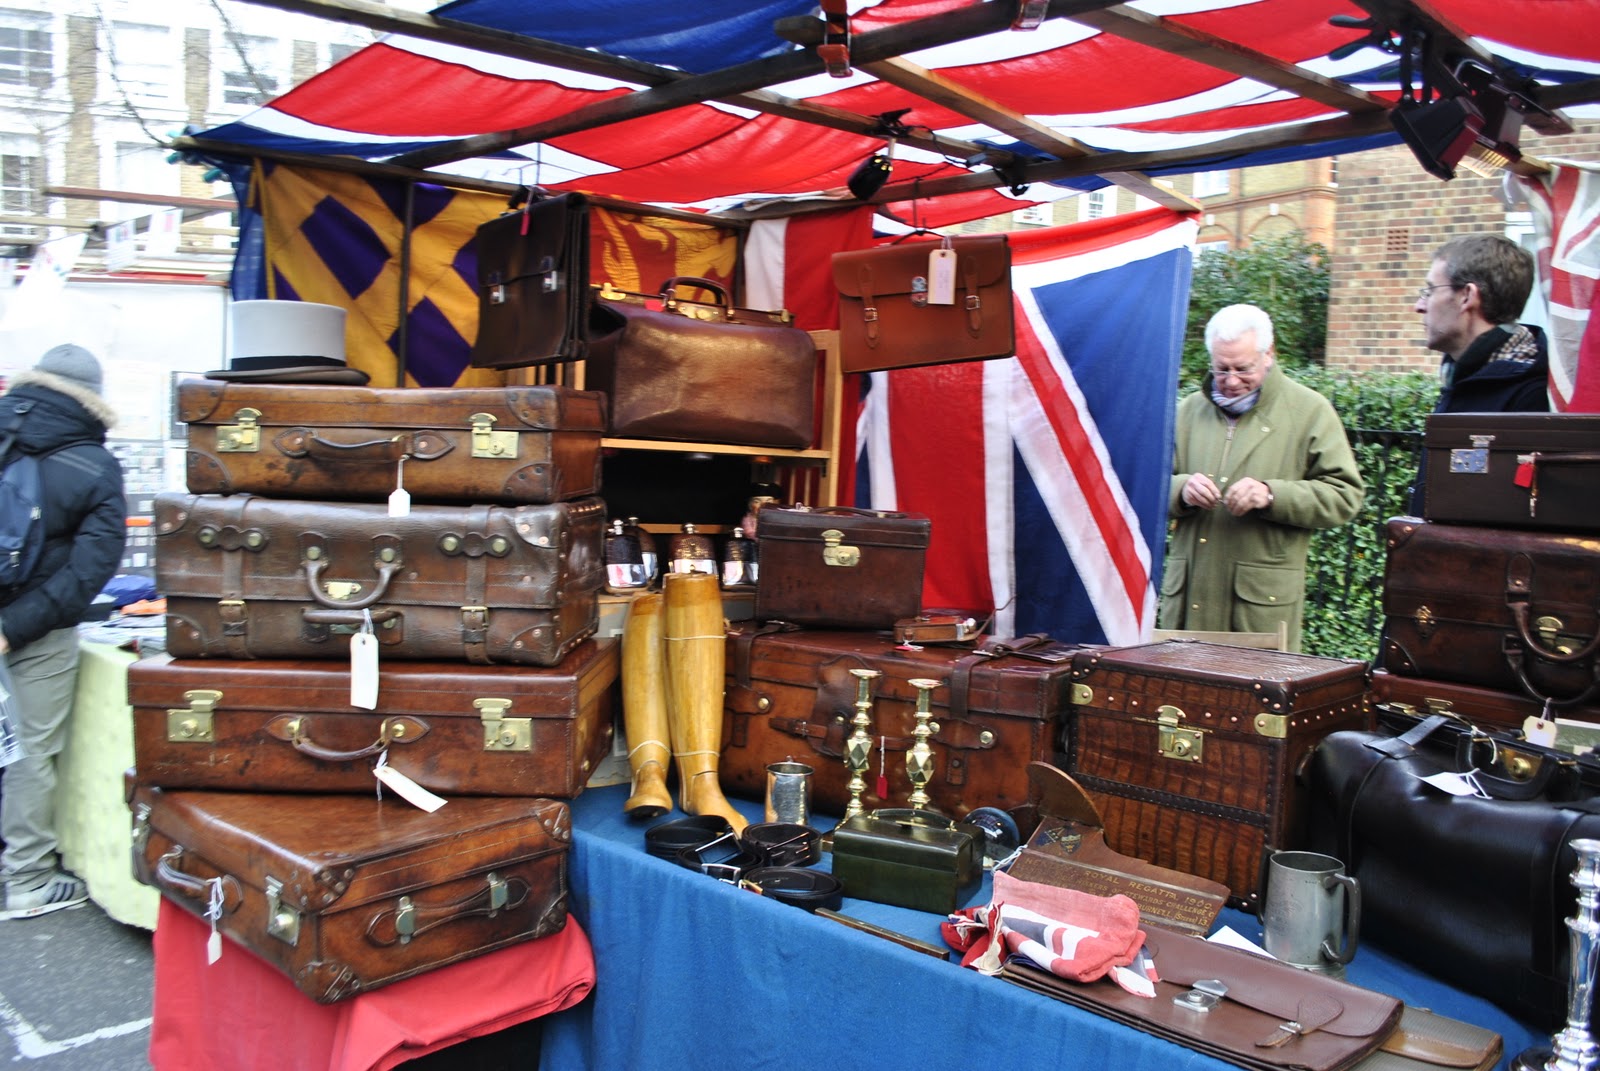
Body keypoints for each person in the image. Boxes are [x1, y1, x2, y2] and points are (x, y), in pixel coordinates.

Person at [0, 344, 125, 920]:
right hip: (35, 633)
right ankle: (26, 878)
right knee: (30, 752)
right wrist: (13, 629)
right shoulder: (92, 464)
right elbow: (89, 569)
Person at [1159, 304, 1364, 653]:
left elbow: (1345, 496)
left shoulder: (1309, 411)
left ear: (1269, 354)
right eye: (1221, 368)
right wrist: (1181, 490)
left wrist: (1272, 495)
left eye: (1243, 368)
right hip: (1188, 605)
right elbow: (1145, 487)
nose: (1232, 380)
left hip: (1258, 612)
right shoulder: (1187, 410)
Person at [1408, 234, 1549, 512]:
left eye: (1430, 290)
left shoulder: (1533, 396)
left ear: (1467, 296)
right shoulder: (1462, 378)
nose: (1419, 306)